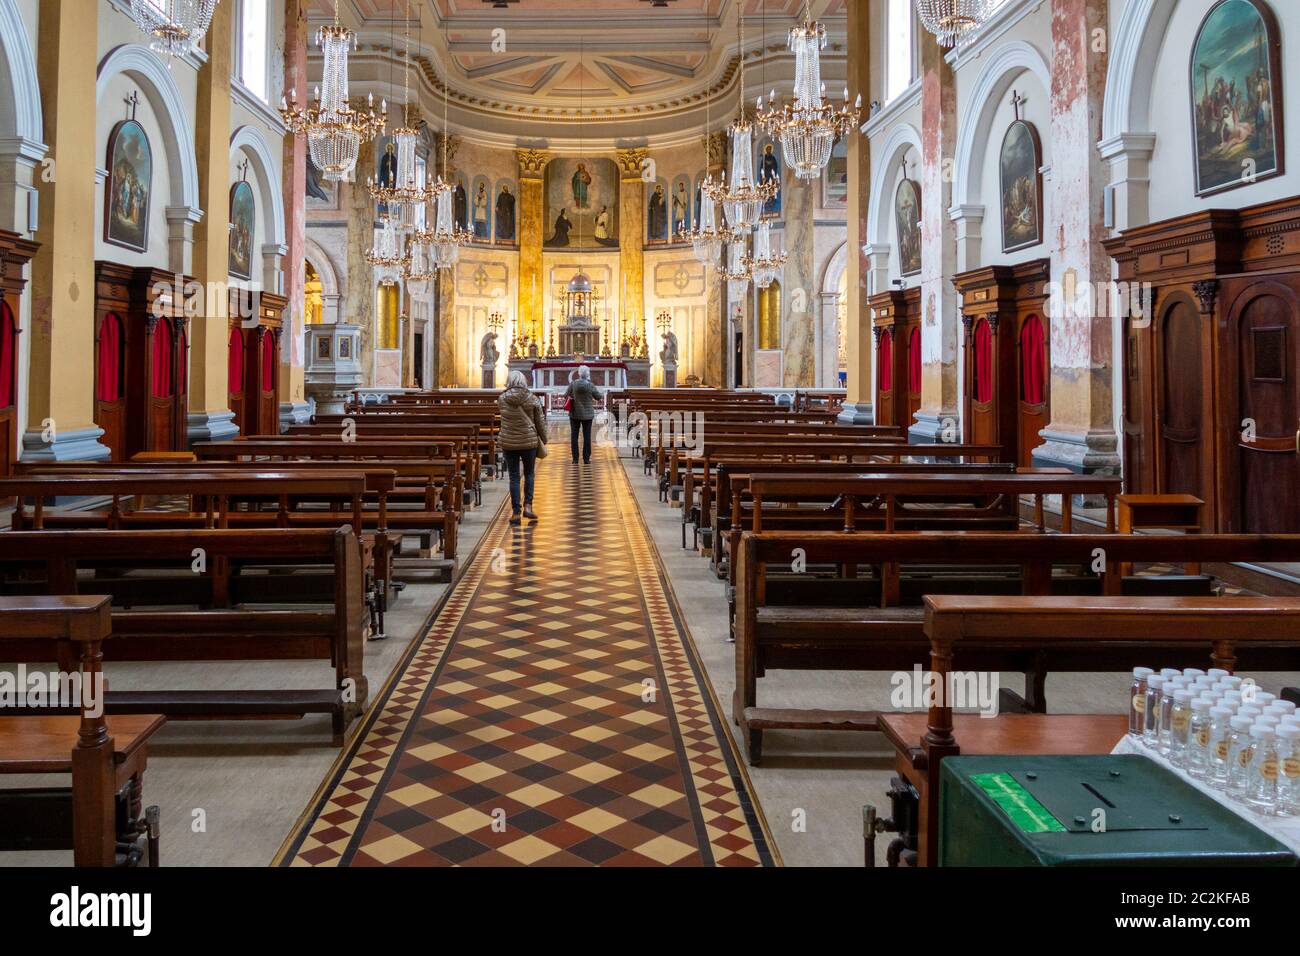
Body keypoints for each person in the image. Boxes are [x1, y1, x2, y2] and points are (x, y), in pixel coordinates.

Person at [498, 370, 547, 525]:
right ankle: (528, 506)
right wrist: (544, 439)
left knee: (513, 476)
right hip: (528, 442)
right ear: (524, 382)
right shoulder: (532, 399)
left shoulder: (502, 399)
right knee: (529, 473)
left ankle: (516, 512)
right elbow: (540, 422)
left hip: (509, 442)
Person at [563, 365, 603, 465]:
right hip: (588, 415)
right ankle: (586, 459)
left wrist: (573, 395)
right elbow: (598, 397)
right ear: (588, 374)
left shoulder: (573, 384)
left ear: (579, 374)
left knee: (574, 436)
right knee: (587, 436)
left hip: (574, 413)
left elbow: (565, 395)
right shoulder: (590, 385)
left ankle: (575, 459)